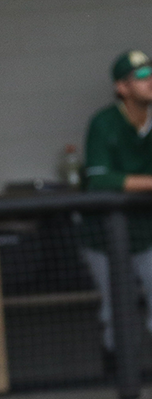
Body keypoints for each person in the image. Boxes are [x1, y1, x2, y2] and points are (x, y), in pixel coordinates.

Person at [81, 50, 152, 367]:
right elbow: (99, 180)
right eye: (140, 77)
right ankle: (117, 371)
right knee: (117, 307)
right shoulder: (104, 122)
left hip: (147, 232)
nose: (149, 80)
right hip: (104, 237)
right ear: (121, 87)